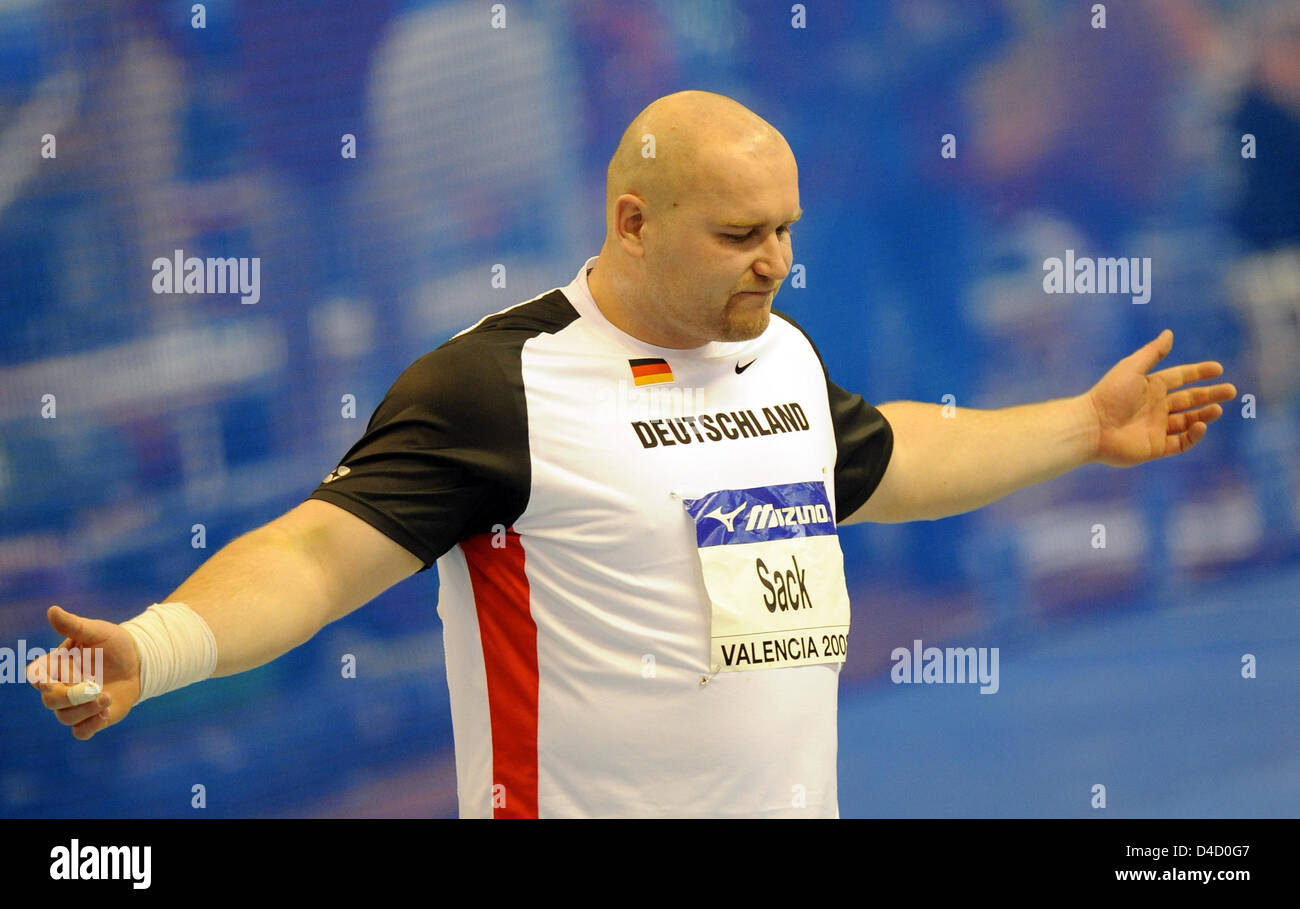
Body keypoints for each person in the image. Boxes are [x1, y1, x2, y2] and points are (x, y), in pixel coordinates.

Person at [27, 90, 1236, 818]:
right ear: (631, 224)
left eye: (786, 232)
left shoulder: (782, 358)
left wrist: (1084, 426)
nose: (773, 261)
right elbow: (313, 555)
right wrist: (158, 647)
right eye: (738, 235)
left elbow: (880, 458)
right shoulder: (493, 386)